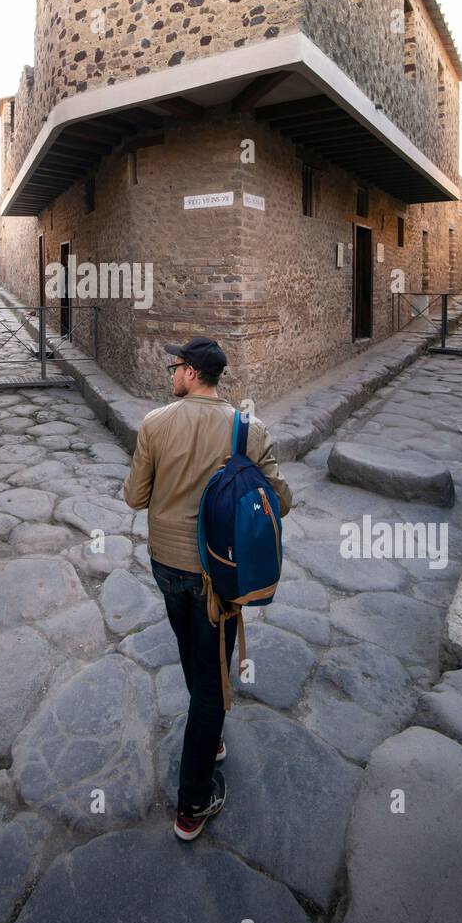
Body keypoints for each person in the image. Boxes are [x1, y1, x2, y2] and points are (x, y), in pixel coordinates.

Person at [123, 336, 293, 841]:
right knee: (214, 676)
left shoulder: (155, 424)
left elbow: (135, 497)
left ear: (193, 373)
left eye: (175, 367)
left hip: (166, 566)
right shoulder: (249, 429)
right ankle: (192, 803)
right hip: (220, 573)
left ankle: (204, 753)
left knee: (193, 653)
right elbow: (280, 500)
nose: (170, 374)